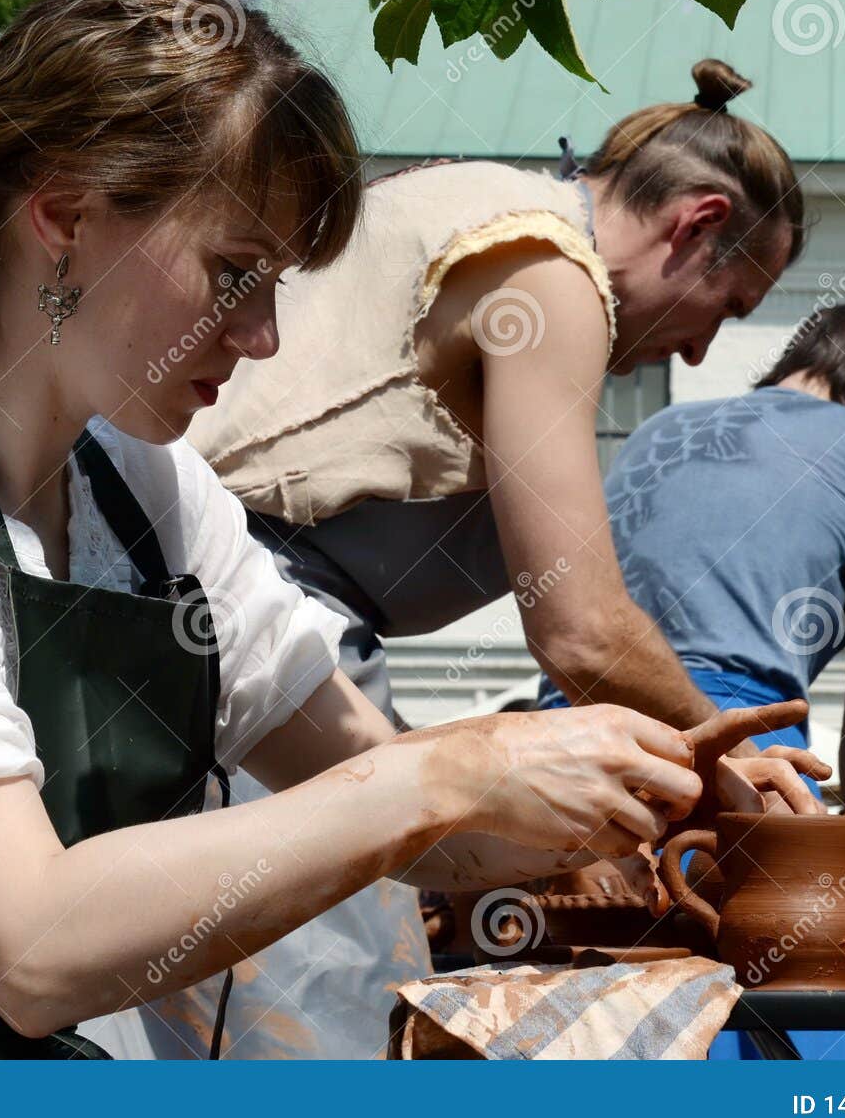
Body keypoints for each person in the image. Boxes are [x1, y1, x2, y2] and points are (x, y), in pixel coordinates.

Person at [0, 0, 816, 1061]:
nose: (262, 338)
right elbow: (24, 945)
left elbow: (399, 804)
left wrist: (655, 789)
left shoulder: (149, 499)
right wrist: (450, 775)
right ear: (66, 217)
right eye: (234, 274)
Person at [178, 60, 810, 1056]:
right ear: (694, 223)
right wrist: (725, 756)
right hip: (236, 621)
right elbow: (581, 629)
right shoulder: (548, 270)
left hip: (227, 625)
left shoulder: (490, 207)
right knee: (317, 1051)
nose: (696, 355)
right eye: (727, 305)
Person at [538, 299, 845, 1058]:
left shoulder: (659, 430)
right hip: (736, 744)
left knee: (588, 1029)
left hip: (565, 734)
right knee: (784, 1033)